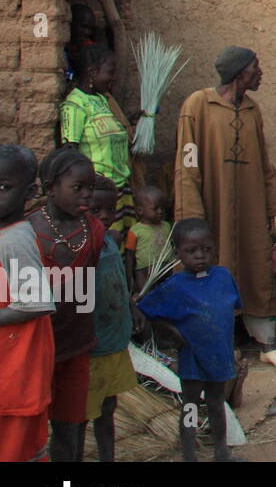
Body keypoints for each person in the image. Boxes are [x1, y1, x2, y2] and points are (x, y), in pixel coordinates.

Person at [175, 46, 276, 369]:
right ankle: (219, 342)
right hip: (212, 207)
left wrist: (271, 213)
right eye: (256, 68)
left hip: (252, 207)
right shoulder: (197, 106)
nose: (260, 73)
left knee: (255, 263)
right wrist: (191, 220)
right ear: (240, 72)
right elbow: (186, 165)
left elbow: (266, 167)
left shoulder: (253, 111)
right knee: (217, 265)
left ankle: (266, 341)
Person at [138, 219, 243, 462]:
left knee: (217, 403)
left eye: (207, 249)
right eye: (191, 251)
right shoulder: (174, 286)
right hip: (193, 358)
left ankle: (221, 451)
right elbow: (144, 310)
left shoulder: (223, 277)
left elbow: (231, 310)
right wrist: (172, 333)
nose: (200, 256)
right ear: (178, 253)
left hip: (219, 355)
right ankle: (189, 455)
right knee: (190, 406)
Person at [28, 147, 104, 463]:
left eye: (90, 188)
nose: (86, 196)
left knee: (70, 426)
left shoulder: (93, 231)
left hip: (76, 347)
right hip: (35, 351)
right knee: (30, 427)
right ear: (50, 188)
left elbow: (89, 284)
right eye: (77, 188)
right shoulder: (27, 233)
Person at [0, 145, 56, 463]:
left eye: (4, 187)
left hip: (13, 373)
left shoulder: (14, 240)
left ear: (30, 191)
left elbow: (36, 303)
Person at [84, 177, 143, 462]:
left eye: (111, 209)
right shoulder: (79, 249)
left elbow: (119, 281)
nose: (106, 216)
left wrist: (131, 307)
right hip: (89, 350)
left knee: (108, 410)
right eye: (97, 210)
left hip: (114, 344)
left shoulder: (110, 241)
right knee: (82, 415)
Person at [60, 44, 138, 235]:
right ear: (92, 72)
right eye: (110, 72)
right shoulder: (74, 105)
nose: (113, 78)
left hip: (120, 188)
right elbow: (70, 152)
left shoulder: (102, 100)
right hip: (98, 195)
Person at [130, 185, 173, 294]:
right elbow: (129, 254)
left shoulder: (167, 226)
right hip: (144, 271)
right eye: (156, 208)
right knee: (145, 296)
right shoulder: (135, 231)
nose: (160, 212)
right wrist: (129, 275)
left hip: (165, 268)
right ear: (140, 210)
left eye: (163, 208)